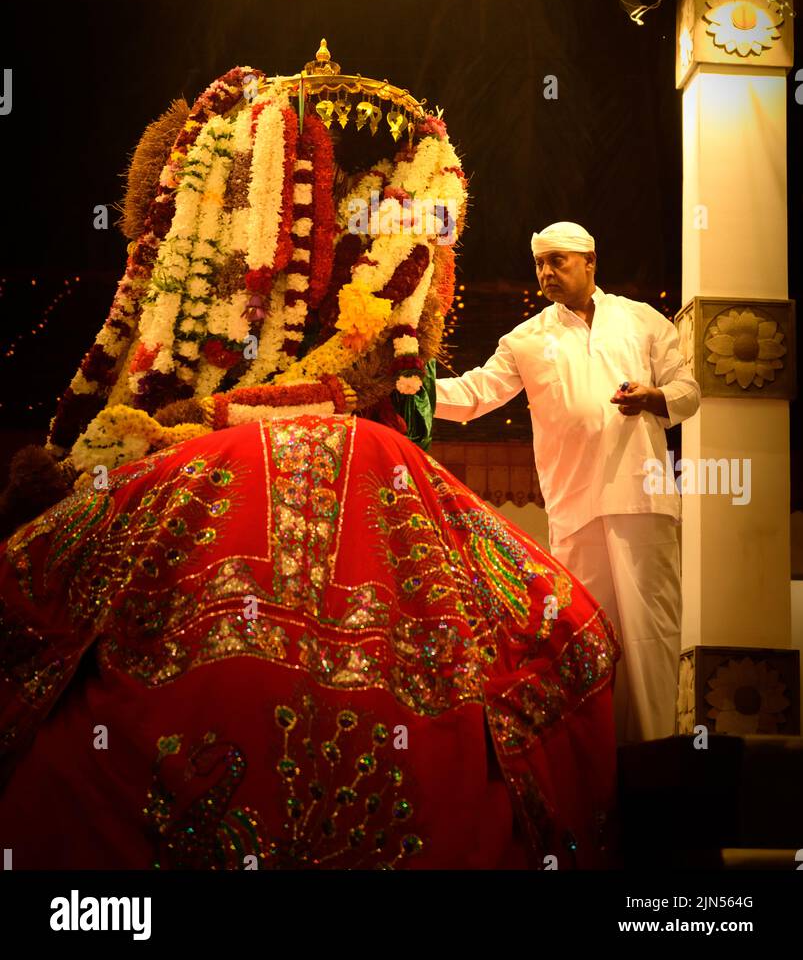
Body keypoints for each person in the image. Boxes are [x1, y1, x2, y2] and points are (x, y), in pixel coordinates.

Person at [0, 64, 621, 871]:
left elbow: (387, 369)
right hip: (298, 442)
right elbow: (440, 379)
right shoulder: (245, 286)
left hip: (315, 438)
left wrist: (219, 415)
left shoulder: (386, 268)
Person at [434, 221, 701, 744]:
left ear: (590, 261)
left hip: (641, 497)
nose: (546, 272)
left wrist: (653, 396)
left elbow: (688, 389)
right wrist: (410, 387)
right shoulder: (527, 338)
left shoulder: (641, 320)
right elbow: (475, 394)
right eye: (539, 263)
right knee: (587, 640)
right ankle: (598, 769)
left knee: (651, 635)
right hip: (574, 508)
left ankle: (651, 761)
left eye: (558, 261)